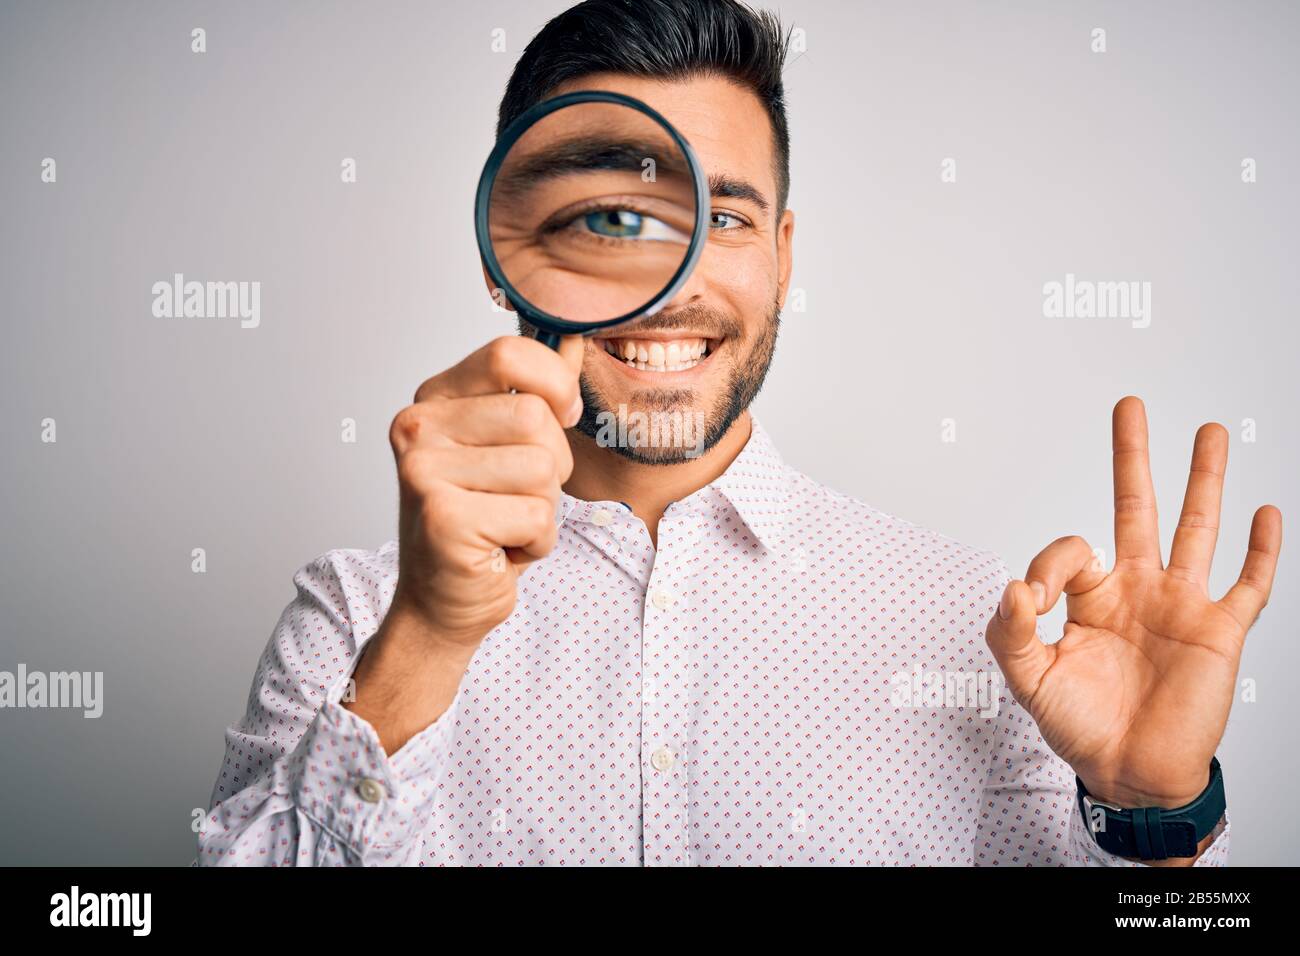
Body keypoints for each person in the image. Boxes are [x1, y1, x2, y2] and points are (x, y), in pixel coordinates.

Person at [198, 0, 1280, 866]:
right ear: (502, 248)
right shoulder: (352, 620)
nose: (672, 288)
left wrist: (1152, 813)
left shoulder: (977, 626)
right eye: (611, 217)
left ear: (783, 256)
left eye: (722, 218)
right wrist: (425, 641)